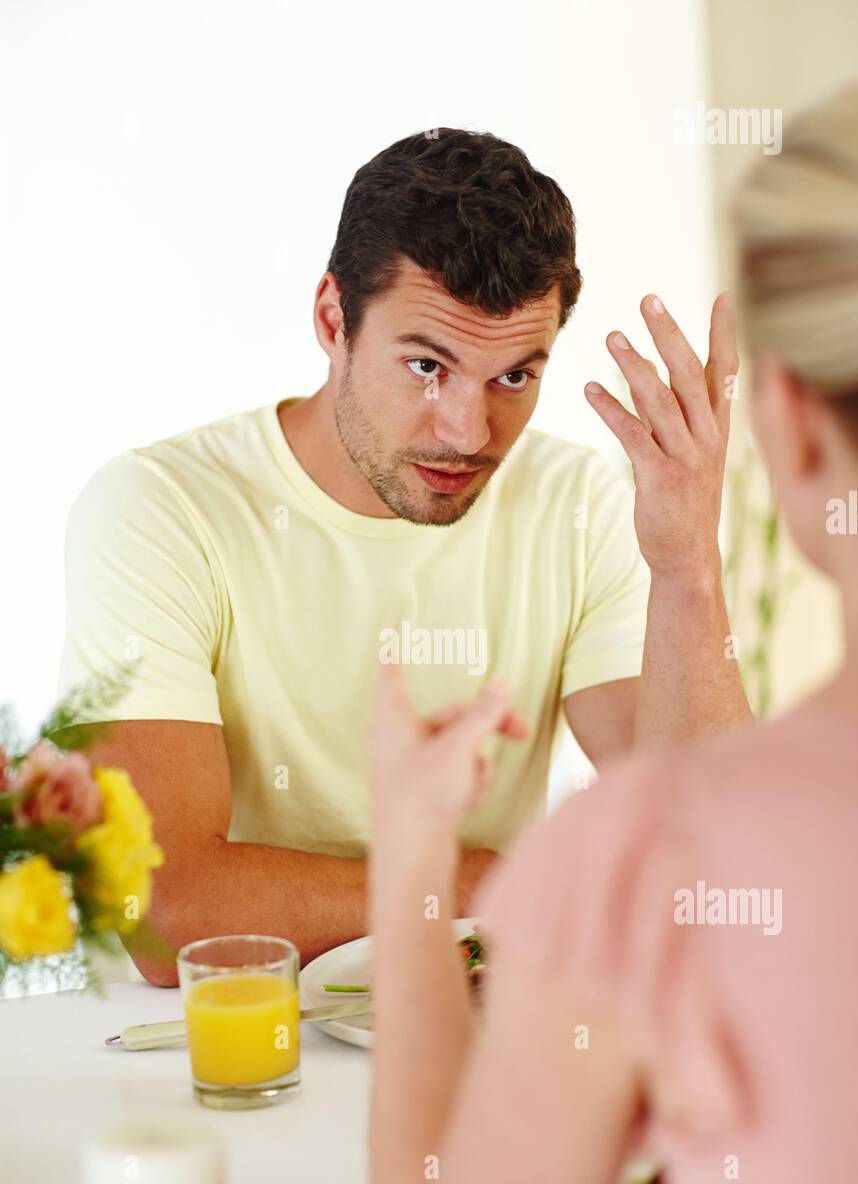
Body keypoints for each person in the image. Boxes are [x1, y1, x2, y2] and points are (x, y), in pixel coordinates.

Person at [367, 83, 858, 1184]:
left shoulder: (653, 855)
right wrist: (683, 564)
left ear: (788, 424)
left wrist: (411, 848)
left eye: (514, 375)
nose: (467, 425)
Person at [58, 129, 747, 985]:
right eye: (428, 365)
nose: (466, 432)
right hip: (210, 1055)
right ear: (331, 318)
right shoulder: (159, 511)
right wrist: (468, 880)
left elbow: (711, 859)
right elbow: (166, 912)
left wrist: (689, 571)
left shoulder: (579, 505)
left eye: (514, 377)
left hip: (475, 1038)